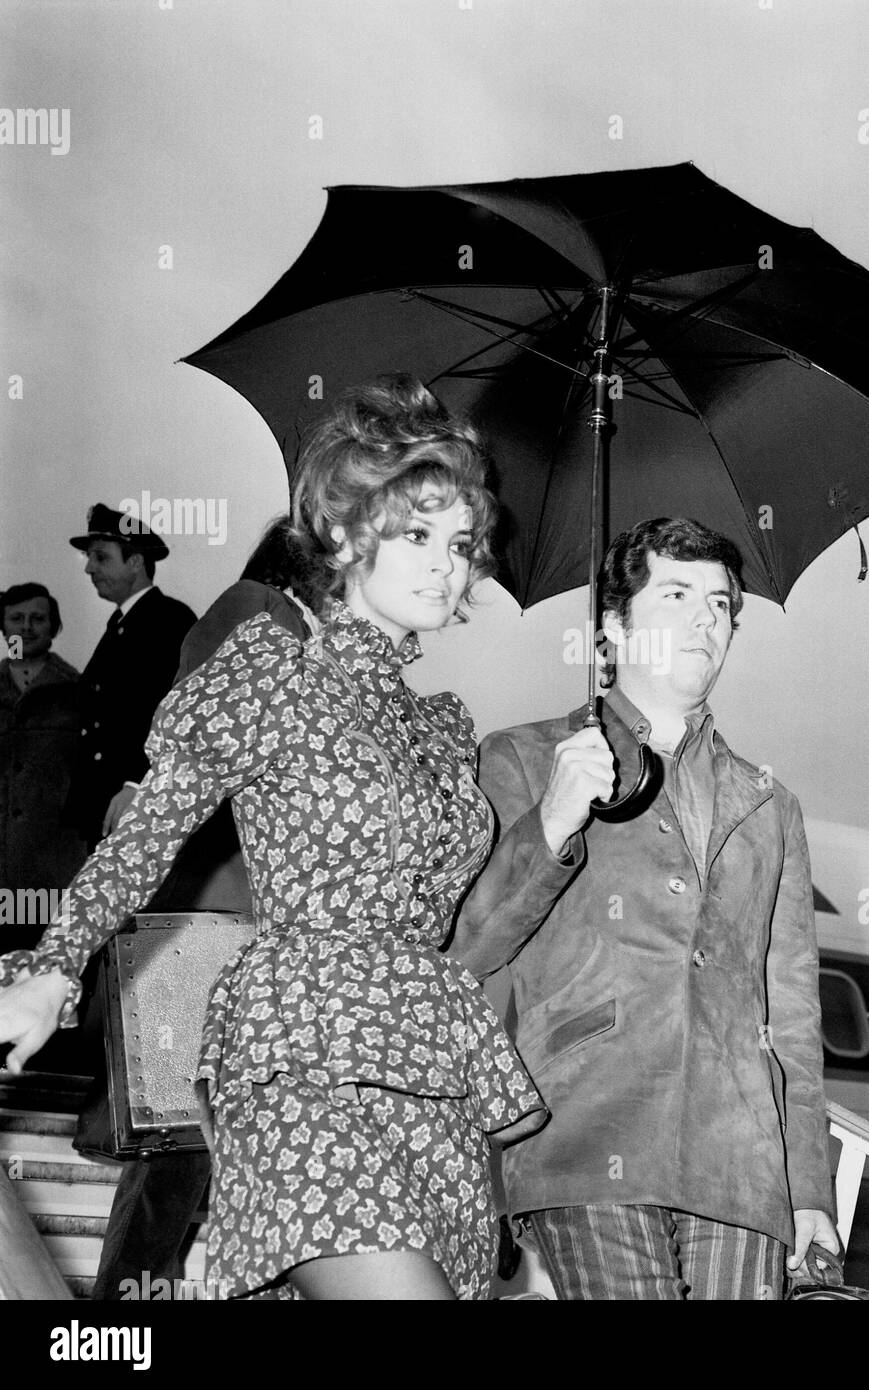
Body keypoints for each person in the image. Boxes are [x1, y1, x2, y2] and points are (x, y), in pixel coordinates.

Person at [0, 377, 545, 1300]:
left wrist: (561, 821)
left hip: (430, 1071)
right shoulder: (270, 669)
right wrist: (53, 966)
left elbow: (465, 924)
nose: (447, 566)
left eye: (460, 544)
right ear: (341, 537)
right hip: (304, 1056)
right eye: (416, 535)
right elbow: (149, 831)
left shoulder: (443, 727)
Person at [451, 516, 841, 1300]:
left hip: (741, 1162)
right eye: (676, 594)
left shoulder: (769, 805)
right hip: (586, 1133)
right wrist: (554, 820)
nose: (707, 617)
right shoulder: (525, 758)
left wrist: (809, 1190)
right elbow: (469, 944)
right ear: (613, 627)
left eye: (722, 603)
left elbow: (792, 1017)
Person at [87, 517, 327, 1301]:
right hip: (216, 919)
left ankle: (117, 1320)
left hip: (213, 915)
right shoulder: (263, 611)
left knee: (184, 1143)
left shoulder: (259, 614)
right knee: (179, 1145)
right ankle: (115, 1329)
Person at [63, 504, 197, 847]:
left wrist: (137, 783)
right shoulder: (123, 623)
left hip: (133, 805)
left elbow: (172, 712)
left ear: (135, 562)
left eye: (101, 558)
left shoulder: (167, 620)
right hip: (106, 805)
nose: (89, 569)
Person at [0, 584, 86, 950]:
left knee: (48, 971)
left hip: (53, 869)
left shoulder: (78, 690)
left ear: (54, 627)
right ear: (3, 629)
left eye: (38, 618)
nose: (27, 627)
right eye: (16, 618)